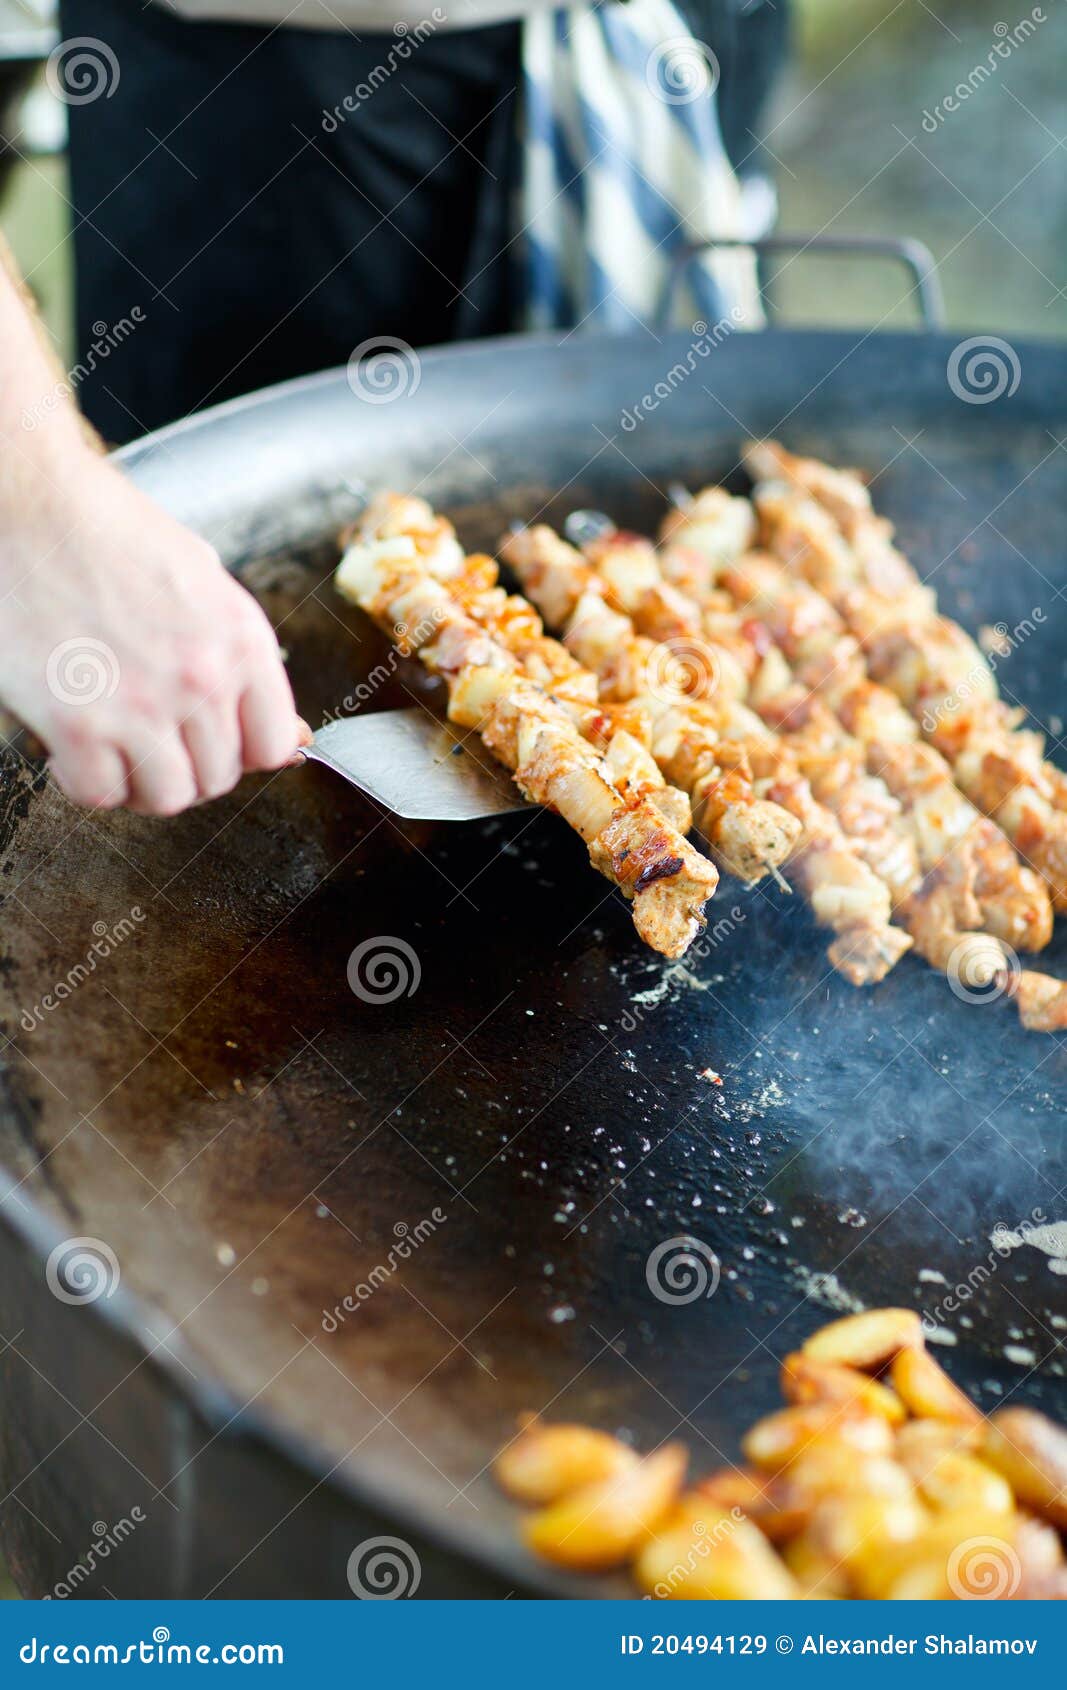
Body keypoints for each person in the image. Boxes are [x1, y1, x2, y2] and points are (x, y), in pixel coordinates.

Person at [1, 0, 787, 815]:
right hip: (281, 113)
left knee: (708, 576)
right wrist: (34, 509)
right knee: (262, 738)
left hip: (689, 46)